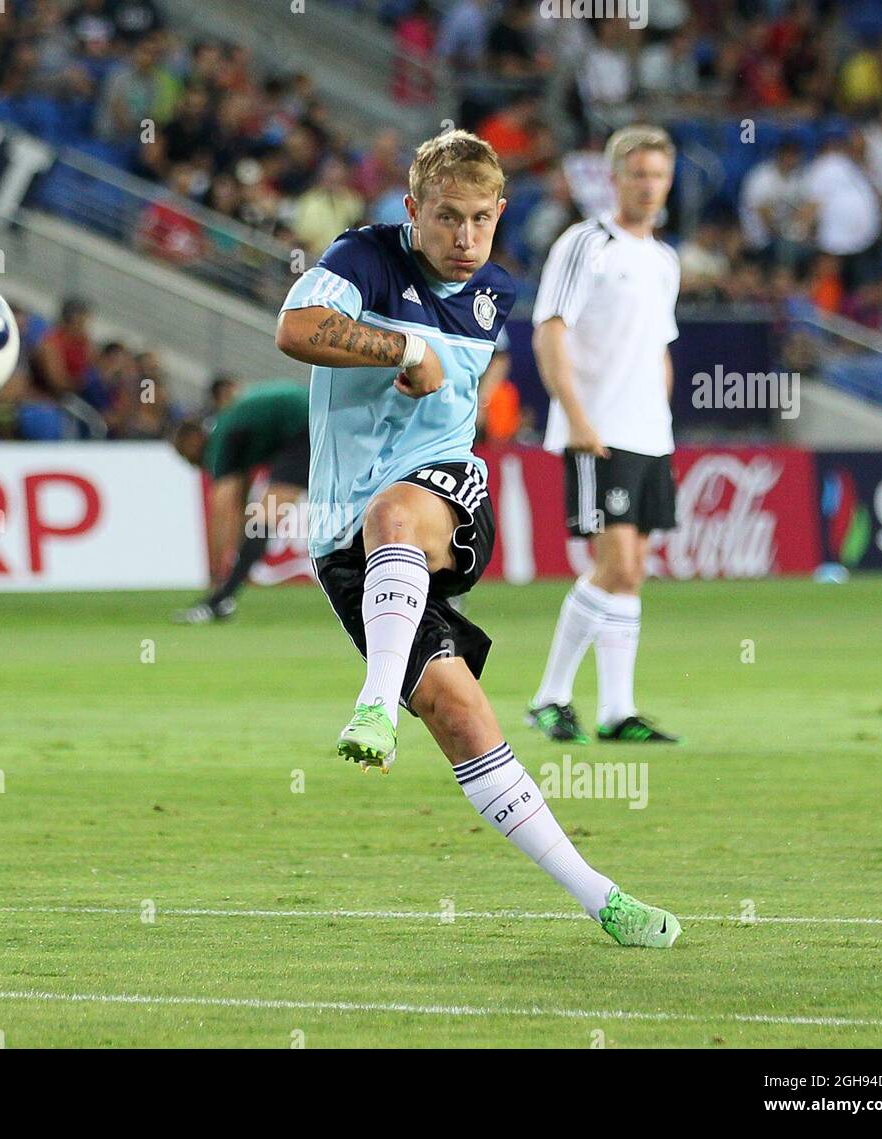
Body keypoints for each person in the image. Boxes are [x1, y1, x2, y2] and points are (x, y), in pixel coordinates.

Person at [275, 129, 680, 948]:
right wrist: (402, 346)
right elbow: (294, 326)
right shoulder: (363, 258)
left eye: (481, 222)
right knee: (461, 716)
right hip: (341, 541)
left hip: (445, 497)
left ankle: (371, 701)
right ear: (411, 210)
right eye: (447, 219)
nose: (465, 241)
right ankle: (603, 897)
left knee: (397, 509)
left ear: (500, 215)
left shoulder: (494, 291)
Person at [527, 125, 683, 746]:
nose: (649, 186)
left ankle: (618, 711)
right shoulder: (585, 243)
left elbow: (660, 351)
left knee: (634, 570)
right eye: (638, 174)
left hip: (650, 433)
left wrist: (663, 418)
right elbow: (550, 330)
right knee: (613, 561)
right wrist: (577, 417)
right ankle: (549, 696)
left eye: (659, 176)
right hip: (599, 430)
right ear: (615, 178)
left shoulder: (665, 259)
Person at [172, 380, 309, 624]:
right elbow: (240, 504)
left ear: (193, 440)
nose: (189, 464)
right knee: (261, 522)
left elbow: (222, 512)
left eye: (184, 455)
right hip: (317, 417)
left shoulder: (220, 443)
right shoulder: (236, 432)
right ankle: (223, 598)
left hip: (305, 429)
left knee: (263, 521)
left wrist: (214, 579)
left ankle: (218, 600)